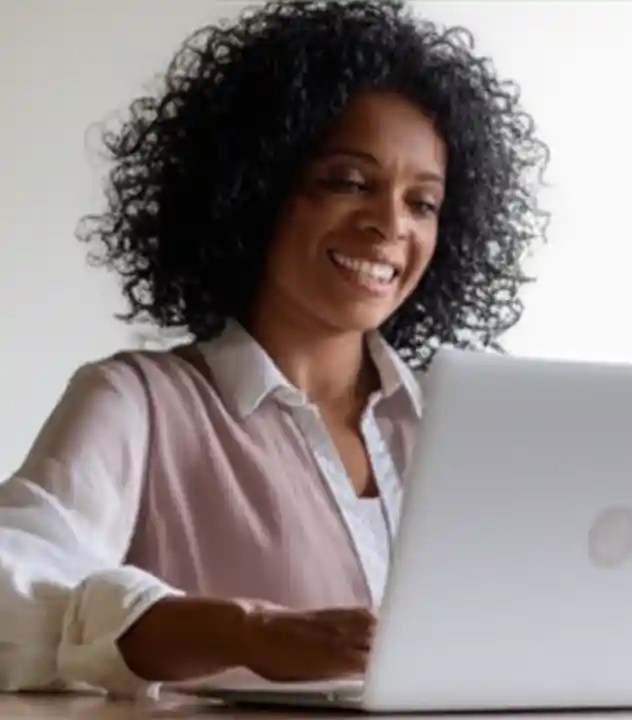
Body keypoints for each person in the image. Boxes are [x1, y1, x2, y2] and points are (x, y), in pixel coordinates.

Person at [0, 0, 548, 696]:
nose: (389, 225)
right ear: (254, 188)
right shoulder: (140, 403)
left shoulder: (460, 423)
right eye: (350, 182)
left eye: (422, 203)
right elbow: (8, 592)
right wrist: (243, 633)